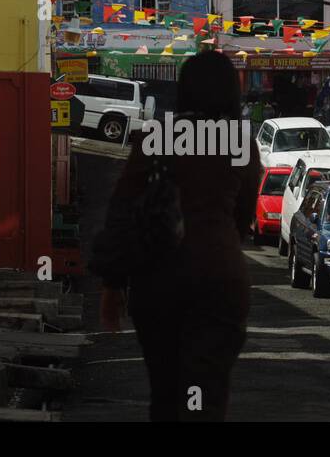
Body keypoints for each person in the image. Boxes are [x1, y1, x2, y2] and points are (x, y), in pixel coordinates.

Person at [93, 51, 262, 422]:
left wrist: (112, 284)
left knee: (166, 394)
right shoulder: (240, 143)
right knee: (206, 396)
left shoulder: (155, 138)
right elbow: (243, 218)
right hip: (220, 281)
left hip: (158, 281)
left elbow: (121, 211)